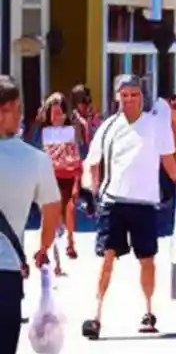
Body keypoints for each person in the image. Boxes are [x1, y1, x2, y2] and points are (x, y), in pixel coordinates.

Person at [82, 74, 176, 340]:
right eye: (124, 95)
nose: (128, 100)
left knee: (146, 260)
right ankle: (96, 315)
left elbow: (168, 160)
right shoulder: (108, 126)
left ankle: (148, 311)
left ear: (141, 96)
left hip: (144, 203)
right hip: (113, 201)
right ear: (117, 97)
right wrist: (94, 191)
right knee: (107, 258)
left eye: (134, 95)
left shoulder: (155, 125)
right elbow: (93, 161)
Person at [0, 76, 60, 354]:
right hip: (7, 273)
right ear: (8, 109)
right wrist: (42, 249)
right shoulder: (36, 160)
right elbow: (52, 211)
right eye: (19, 107)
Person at [34, 93, 83, 270]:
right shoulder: (43, 134)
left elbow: (77, 160)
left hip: (68, 179)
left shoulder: (70, 133)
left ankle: (69, 241)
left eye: (59, 113)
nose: (56, 117)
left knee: (69, 211)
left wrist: (77, 182)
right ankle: (50, 256)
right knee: (50, 219)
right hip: (50, 179)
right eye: (52, 113)